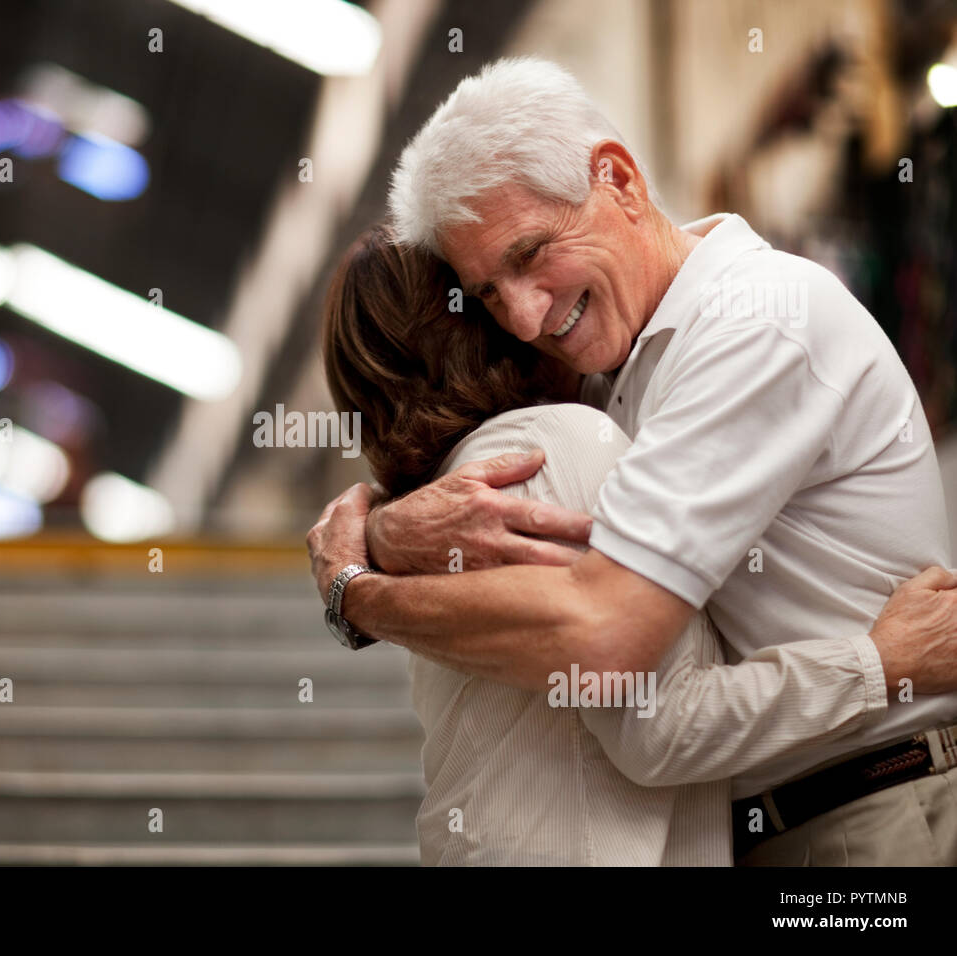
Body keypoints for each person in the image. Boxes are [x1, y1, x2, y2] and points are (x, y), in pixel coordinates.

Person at [308, 56, 957, 865]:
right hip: (795, 816)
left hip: (864, 811)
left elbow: (608, 637)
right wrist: (381, 522)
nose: (522, 318)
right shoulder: (612, 376)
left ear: (617, 179)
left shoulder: (755, 326)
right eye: (485, 296)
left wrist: (357, 594)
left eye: (530, 253)